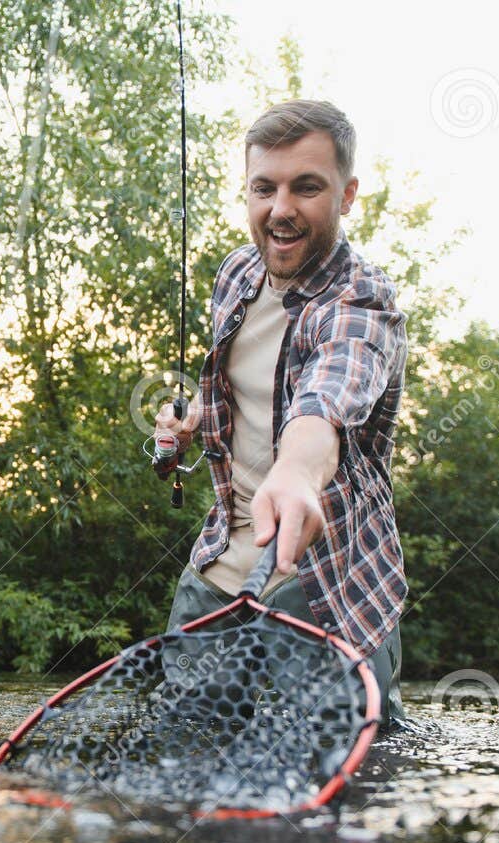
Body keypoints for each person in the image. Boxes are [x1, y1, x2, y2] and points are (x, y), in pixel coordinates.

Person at [157, 99, 407, 727]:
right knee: (184, 759)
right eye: (264, 188)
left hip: (323, 582)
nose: (281, 209)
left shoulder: (360, 300)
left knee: (350, 778)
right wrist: (191, 420)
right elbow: (242, 387)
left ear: (347, 196)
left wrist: (296, 472)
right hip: (220, 564)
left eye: (307, 187)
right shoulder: (236, 272)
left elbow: (328, 396)